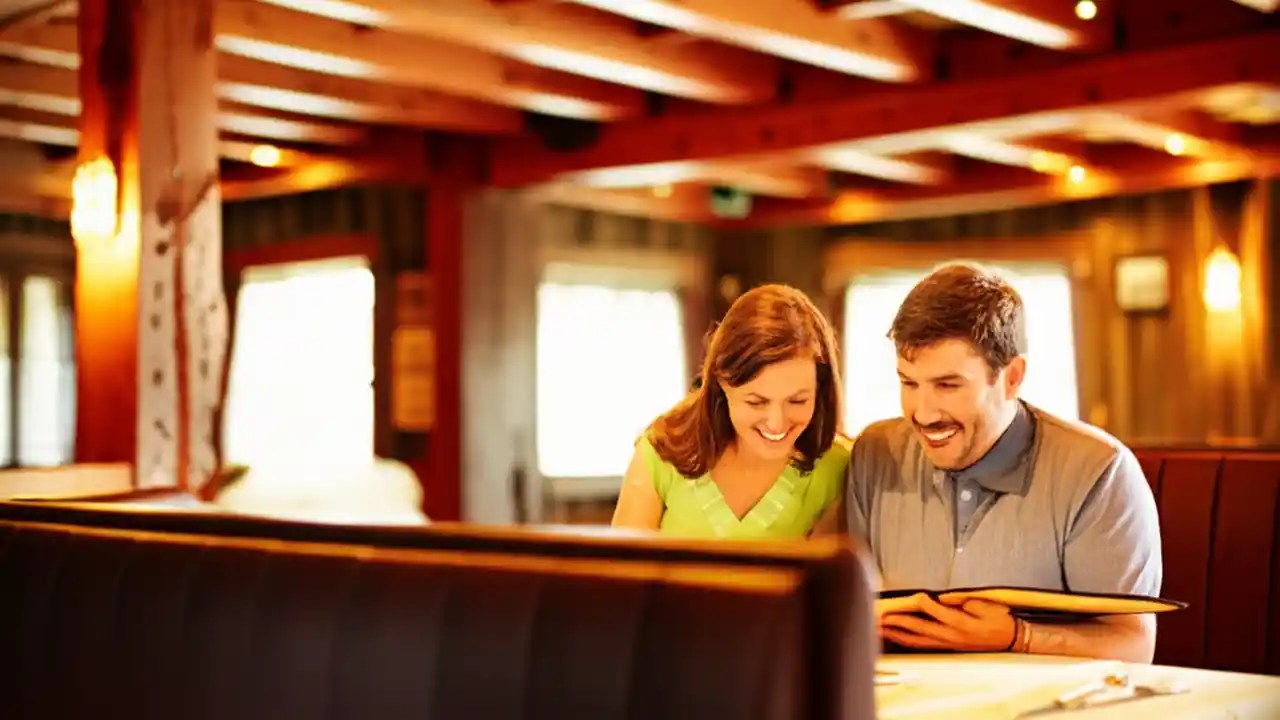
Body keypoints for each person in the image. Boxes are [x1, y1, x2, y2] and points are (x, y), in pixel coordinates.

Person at [846, 263, 1162, 663]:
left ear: (1012, 377)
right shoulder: (875, 452)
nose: (923, 413)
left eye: (948, 385)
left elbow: (1134, 647)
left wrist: (1019, 636)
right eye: (908, 383)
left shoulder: (1099, 471)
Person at [612, 283, 849, 539]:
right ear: (722, 383)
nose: (776, 422)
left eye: (797, 401)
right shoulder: (662, 452)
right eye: (756, 402)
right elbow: (621, 573)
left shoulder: (835, 467)